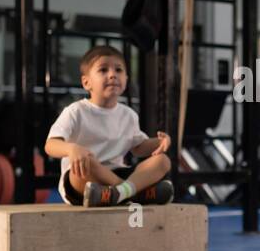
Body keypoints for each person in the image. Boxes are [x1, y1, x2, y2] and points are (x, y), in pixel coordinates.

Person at [44, 45, 174, 207]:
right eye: (103, 70)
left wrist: (159, 142)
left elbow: (138, 147)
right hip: (86, 178)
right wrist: (72, 149)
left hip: (117, 173)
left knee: (163, 161)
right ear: (86, 82)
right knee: (86, 162)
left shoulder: (129, 115)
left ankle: (119, 193)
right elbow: (50, 145)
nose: (112, 75)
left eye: (118, 70)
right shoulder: (75, 111)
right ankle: (134, 193)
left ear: (126, 80)